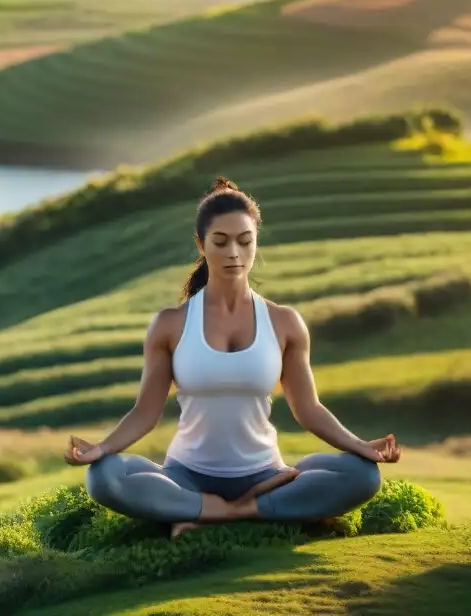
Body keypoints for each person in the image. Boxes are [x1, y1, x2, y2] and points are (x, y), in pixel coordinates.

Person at [64, 176, 401, 538]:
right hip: (186, 476)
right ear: (201, 244)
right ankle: (232, 509)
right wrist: (100, 449)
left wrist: (361, 446)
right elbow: (145, 414)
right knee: (103, 477)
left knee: (362, 474)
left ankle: (224, 511)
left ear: (256, 240)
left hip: (265, 474)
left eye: (245, 241)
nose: (234, 253)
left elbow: (309, 409)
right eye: (220, 242)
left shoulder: (285, 322)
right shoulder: (170, 324)